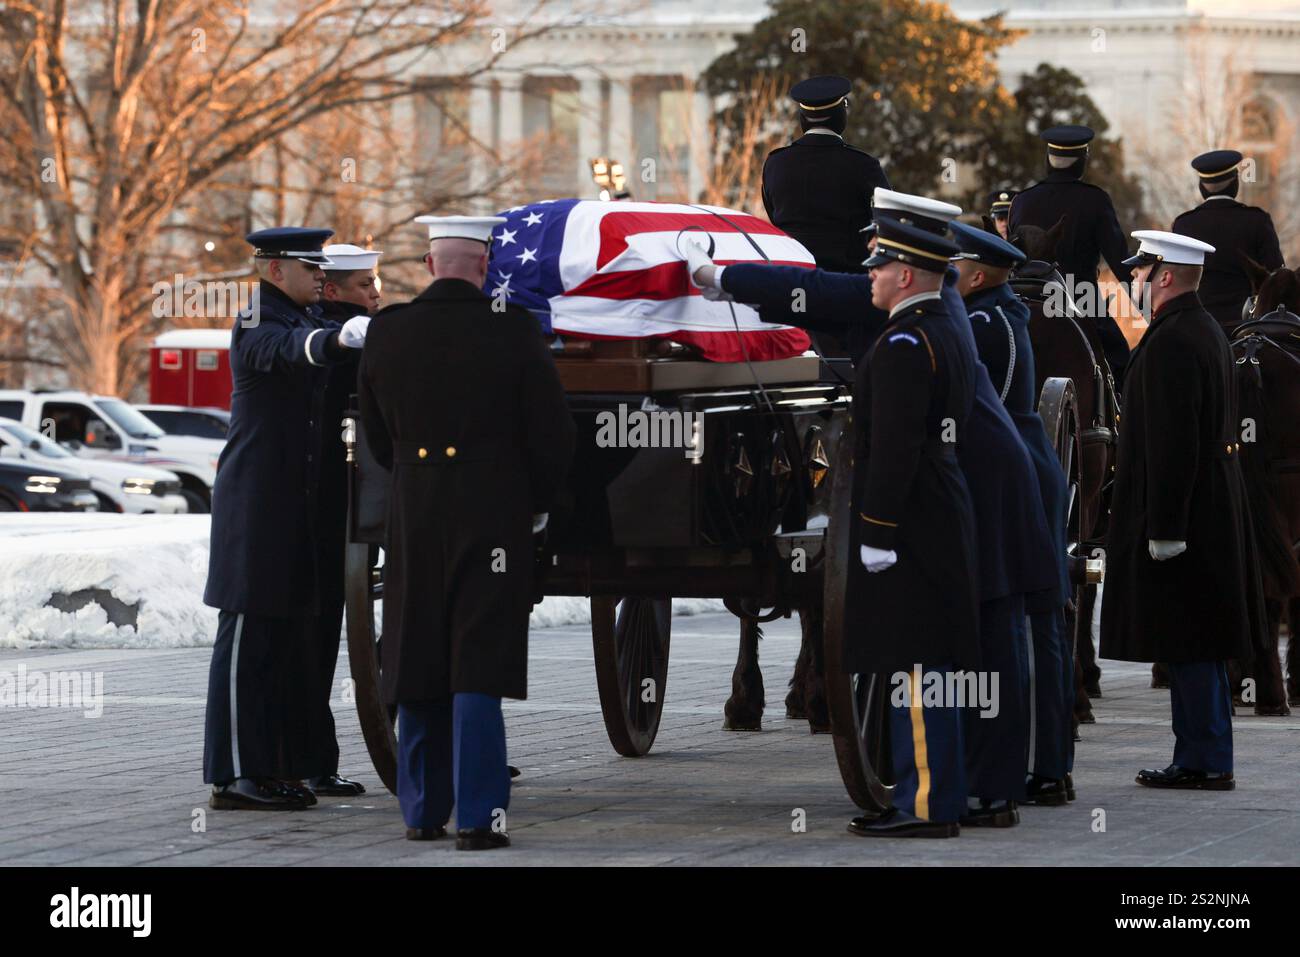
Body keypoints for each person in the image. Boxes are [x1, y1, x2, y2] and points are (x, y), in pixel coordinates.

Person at [684, 188, 1059, 831]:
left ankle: (973, 789)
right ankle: (983, 788)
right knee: (977, 644)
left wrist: (721, 277)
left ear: (908, 255)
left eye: (877, 247)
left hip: (975, 480)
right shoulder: (936, 306)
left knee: (970, 643)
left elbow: (819, 291)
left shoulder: (918, 318)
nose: (867, 260)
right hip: (972, 476)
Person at [357, 215, 575, 849]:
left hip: (415, 511)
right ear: (485, 267)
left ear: (429, 265)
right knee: (478, 657)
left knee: (416, 650)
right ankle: (480, 817)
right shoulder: (513, 330)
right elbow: (552, 435)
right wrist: (535, 505)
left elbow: (374, 435)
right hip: (493, 513)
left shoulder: (387, 332)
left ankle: (421, 809)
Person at [204, 227, 371, 810]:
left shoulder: (302, 314)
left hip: (299, 505)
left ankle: (293, 765)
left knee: (297, 641)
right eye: (310, 268)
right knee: (249, 637)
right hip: (257, 503)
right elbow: (281, 353)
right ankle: (234, 775)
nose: (321, 277)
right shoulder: (258, 319)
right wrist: (336, 340)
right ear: (276, 270)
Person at [1099, 230, 1265, 790]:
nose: (1135, 282)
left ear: (1165, 276)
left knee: (1192, 638)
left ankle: (1205, 760)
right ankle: (1198, 754)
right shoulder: (1200, 329)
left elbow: (1174, 442)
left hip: (1187, 513)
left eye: (1142, 273)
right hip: (1208, 505)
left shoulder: (1173, 339)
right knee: (1195, 638)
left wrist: (1165, 525)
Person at [949, 221, 1075, 807]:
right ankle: (1051, 766)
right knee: (1044, 624)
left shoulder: (979, 323)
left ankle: (1036, 764)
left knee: (1027, 626)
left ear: (976, 275)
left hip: (1013, 480)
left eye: (953, 267)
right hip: (1034, 471)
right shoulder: (1003, 312)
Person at [295, 243, 385, 797]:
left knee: (324, 637)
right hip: (336, 510)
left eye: (376, 284)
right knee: (319, 635)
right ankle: (312, 760)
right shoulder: (344, 341)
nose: (376, 294)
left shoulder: (352, 335)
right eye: (364, 286)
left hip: (343, 508)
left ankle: (315, 758)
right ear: (332, 291)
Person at [761, 75, 889, 357]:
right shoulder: (862, 166)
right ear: (842, 113)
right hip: (847, 295)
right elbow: (888, 226)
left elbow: (774, 216)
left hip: (792, 289)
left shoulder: (775, 164)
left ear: (803, 119)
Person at [1009, 125, 1133, 384]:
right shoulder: (1095, 201)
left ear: (1048, 160)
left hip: (1022, 300)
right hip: (1081, 299)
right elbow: (1120, 263)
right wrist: (1149, 306)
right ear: (1083, 161)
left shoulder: (1021, 201)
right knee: (1122, 359)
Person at [1171, 149, 1285, 329]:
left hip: (1197, 326)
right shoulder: (1257, 220)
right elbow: (1276, 276)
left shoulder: (1184, 225)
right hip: (1247, 327)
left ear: (1202, 187)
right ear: (1235, 184)